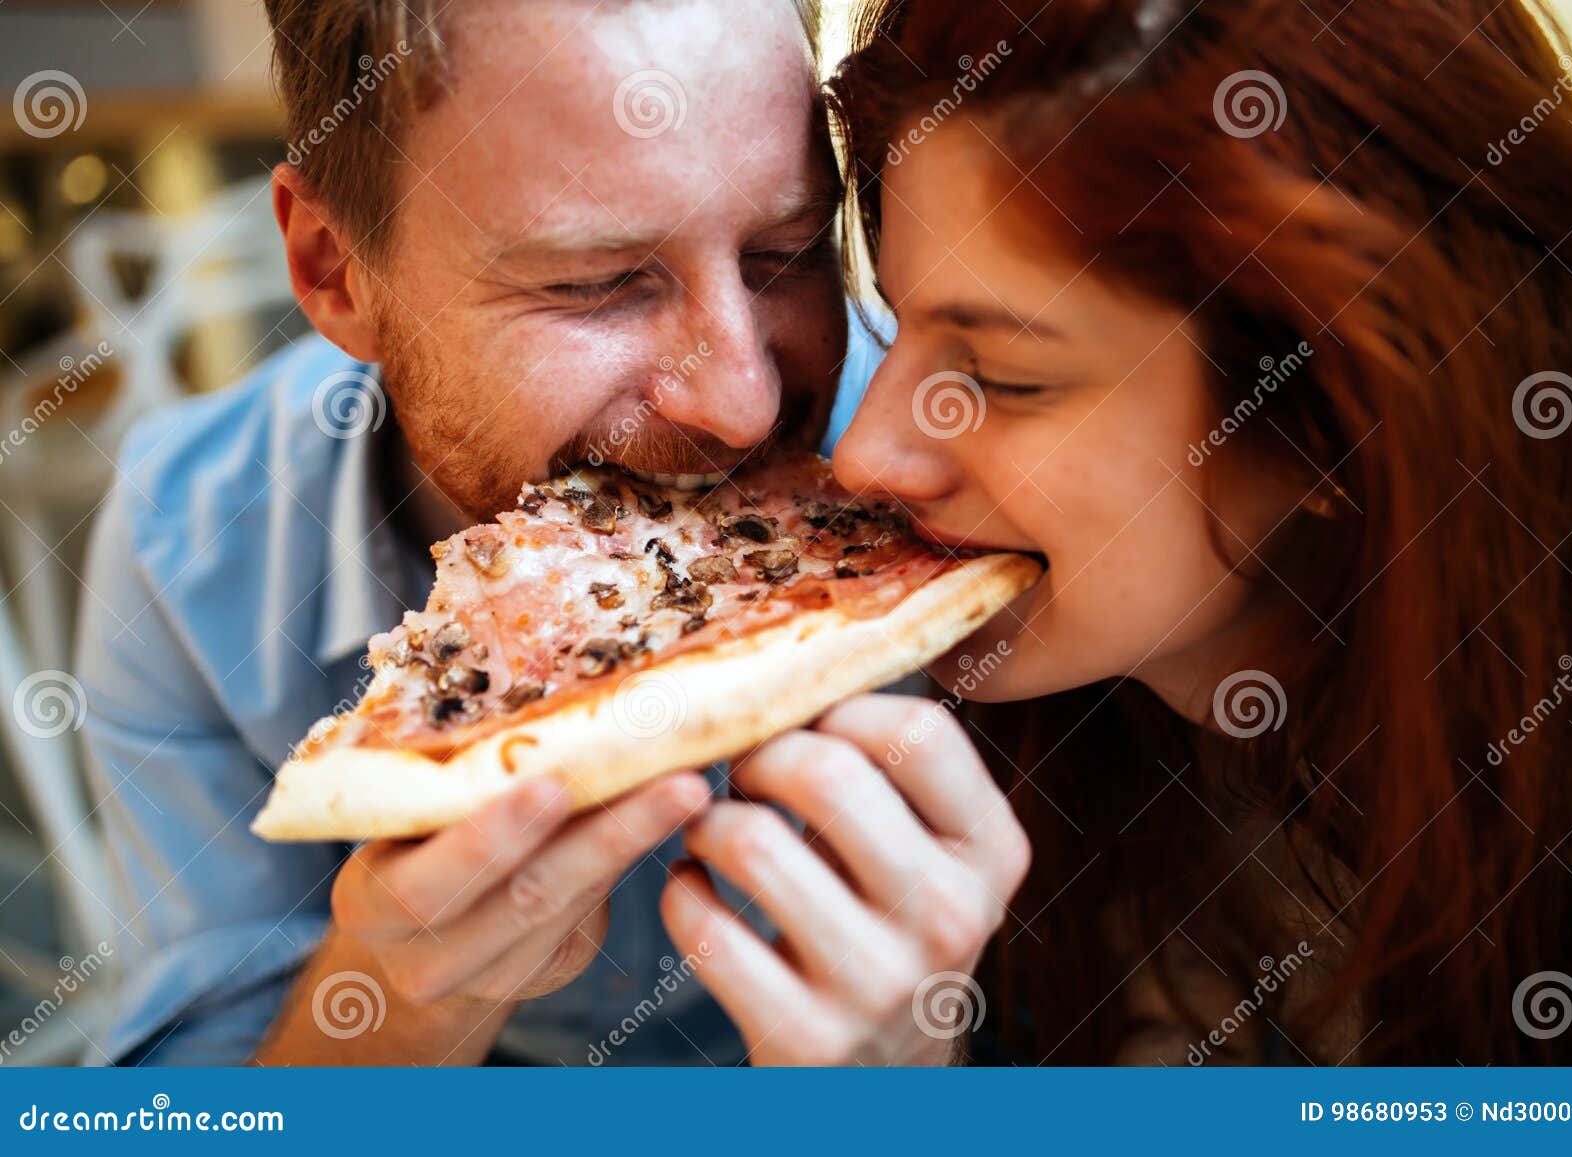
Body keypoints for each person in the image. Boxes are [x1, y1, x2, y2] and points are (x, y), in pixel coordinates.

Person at [75, 0, 1027, 1067]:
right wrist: (395, 1004)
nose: (744, 402)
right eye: (598, 284)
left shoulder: (982, 462)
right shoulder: (190, 542)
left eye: (789, 250)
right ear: (335, 269)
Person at [821, 0, 1572, 1063]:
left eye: (1003, 377)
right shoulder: (1014, 753)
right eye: (895, 317)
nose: (863, 454)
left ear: (1330, 426)